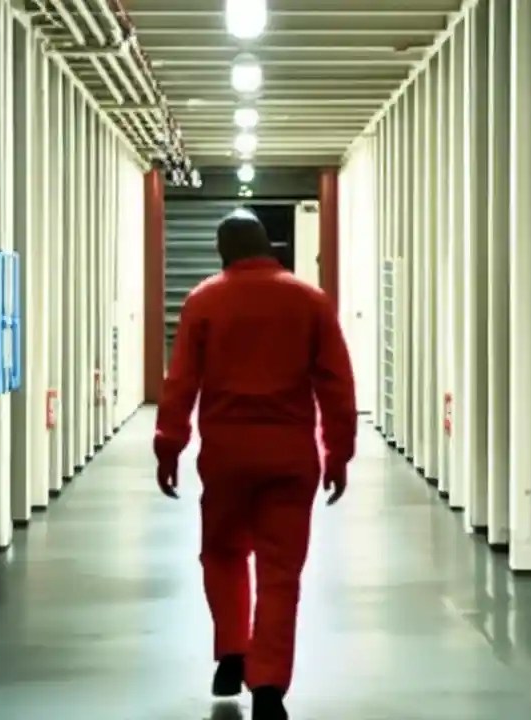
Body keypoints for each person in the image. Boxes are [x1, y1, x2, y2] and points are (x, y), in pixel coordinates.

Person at [153, 209, 357, 720]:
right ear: (267, 245)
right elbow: (337, 386)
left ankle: (231, 652)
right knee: (280, 571)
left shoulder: (204, 301)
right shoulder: (310, 301)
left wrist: (168, 445)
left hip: (227, 456)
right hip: (291, 457)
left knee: (222, 555)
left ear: (224, 251)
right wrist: (339, 451)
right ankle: (267, 685)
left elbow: (180, 384)